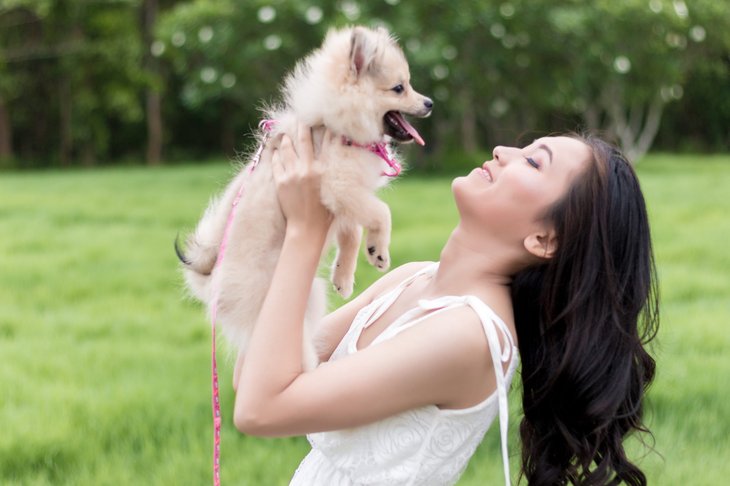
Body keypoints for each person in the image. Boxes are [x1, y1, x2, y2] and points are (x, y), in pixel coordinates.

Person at [232, 124, 659, 486]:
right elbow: (253, 377)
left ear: (545, 240)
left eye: (533, 162)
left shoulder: (468, 336)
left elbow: (260, 409)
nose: (503, 151)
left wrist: (306, 234)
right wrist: (283, 214)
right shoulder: (412, 279)